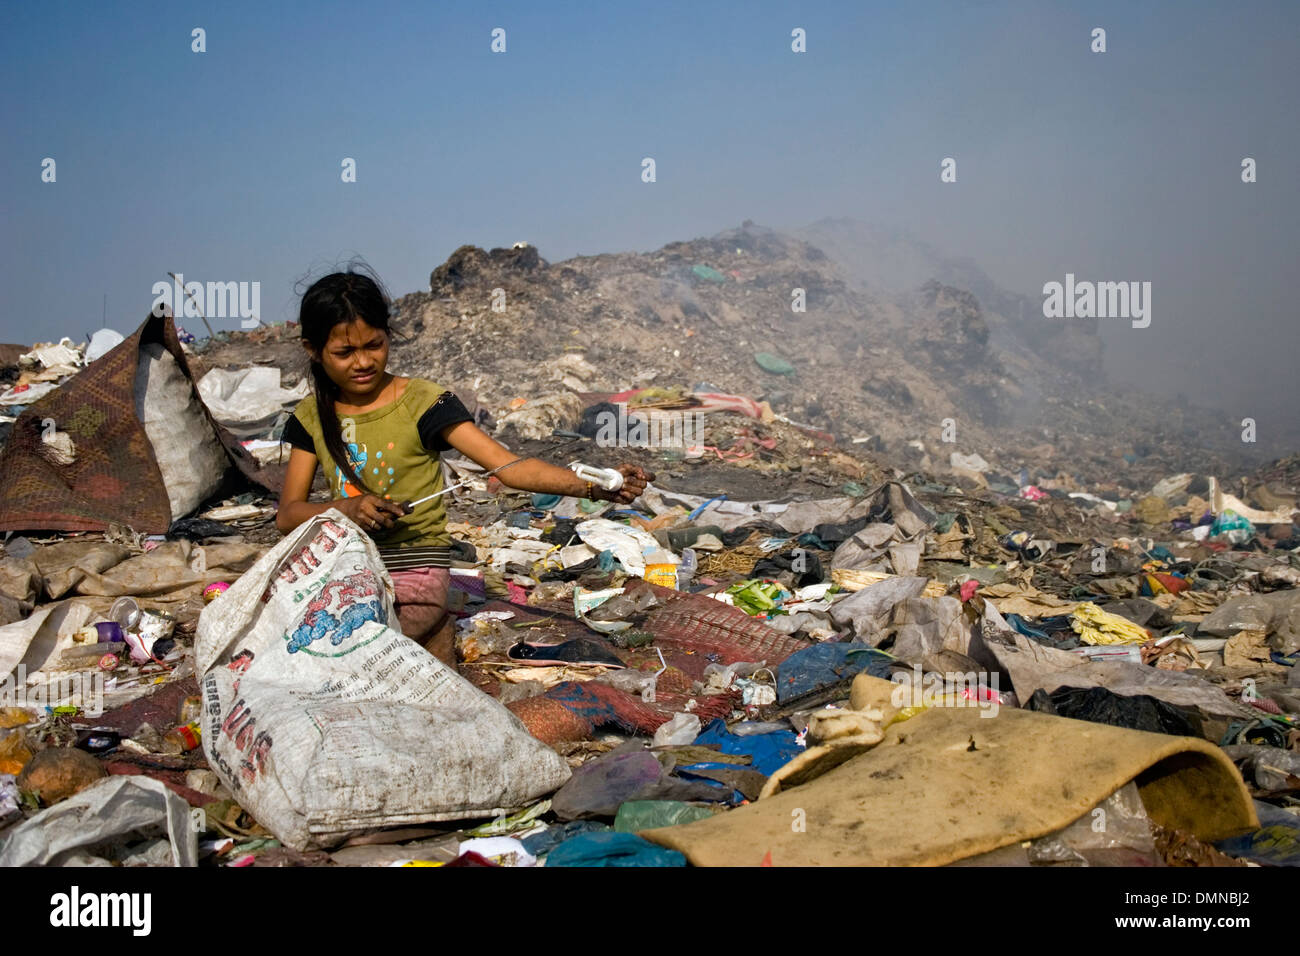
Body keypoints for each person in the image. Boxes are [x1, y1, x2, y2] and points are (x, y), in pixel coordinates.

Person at [274, 268, 652, 667]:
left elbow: (510, 467)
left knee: (350, 650)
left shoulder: (423, 402)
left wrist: (594, 486)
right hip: (349, 567)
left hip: (415, 569)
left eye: (375, 345)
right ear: (313, 350)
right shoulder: (310, 417)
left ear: (389, 336)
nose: (364, 362)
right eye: (345, 353)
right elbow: (288, 515)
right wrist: (347, 510)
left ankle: (434, 626)